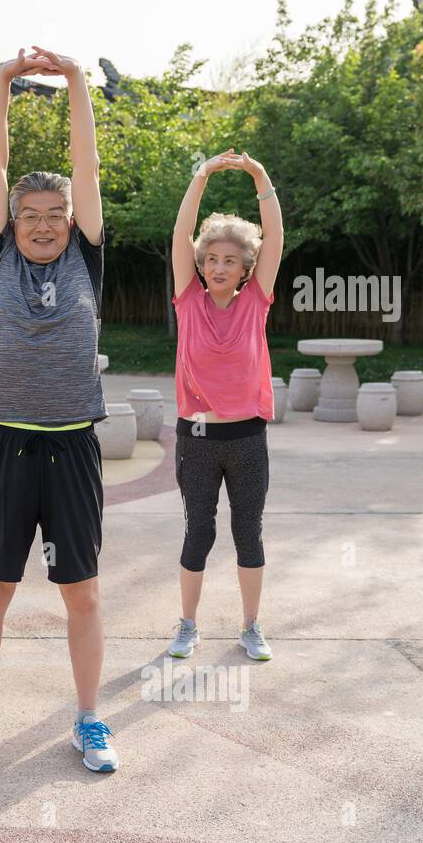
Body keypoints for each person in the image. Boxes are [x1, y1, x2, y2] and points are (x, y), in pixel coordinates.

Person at [0, 48, 115, 773]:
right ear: (11, 224)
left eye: (56, 215)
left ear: (72, 221)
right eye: (30, 216)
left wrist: (77, 81)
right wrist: (1, 86)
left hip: (73, 447)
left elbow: (87, 166)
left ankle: (89, 719)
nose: (43, 225)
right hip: (5, 447)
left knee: (81, 593)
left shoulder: (88, 258)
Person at [165, 148, 284, 663]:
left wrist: (260, 176)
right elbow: (180, 233)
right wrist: (202, 175)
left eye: (229, 260)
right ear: (200, 262)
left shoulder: (256, 299)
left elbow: (274, 236)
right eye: (211, 258)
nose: (218, 266)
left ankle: (251, 626)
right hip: (196, 438)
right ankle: (187, 626)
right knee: (199, 530)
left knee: (247, 531)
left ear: (244, 269)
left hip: (247, 436)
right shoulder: (187, 297)